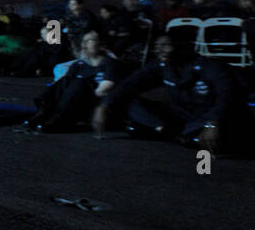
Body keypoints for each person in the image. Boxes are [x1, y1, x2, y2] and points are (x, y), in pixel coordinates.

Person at [93, 33, 252, 152]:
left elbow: (228, 96)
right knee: (127, 102)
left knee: (228, 135)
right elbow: (130, 84)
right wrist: (104, 106)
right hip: (182, 114)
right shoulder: (162, 65)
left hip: (209, 115)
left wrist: (212, 122)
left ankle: (177, 134)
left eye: (165, 45)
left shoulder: (209, 66)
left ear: (180, 47)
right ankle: (171, 132)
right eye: (157, 46)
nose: (159, 50)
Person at [27, 31, 121, 132]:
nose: (84, 45)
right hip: (73, 102)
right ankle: (43, 112)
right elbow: (64, 84)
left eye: (89, 41)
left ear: (101, 44)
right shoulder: (79, 64)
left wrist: (81, 88)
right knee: (64, 80)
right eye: (83, 41)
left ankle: (58, 120)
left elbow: (103, 90)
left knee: (79, 82)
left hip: (96, 104)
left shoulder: (109, 63)